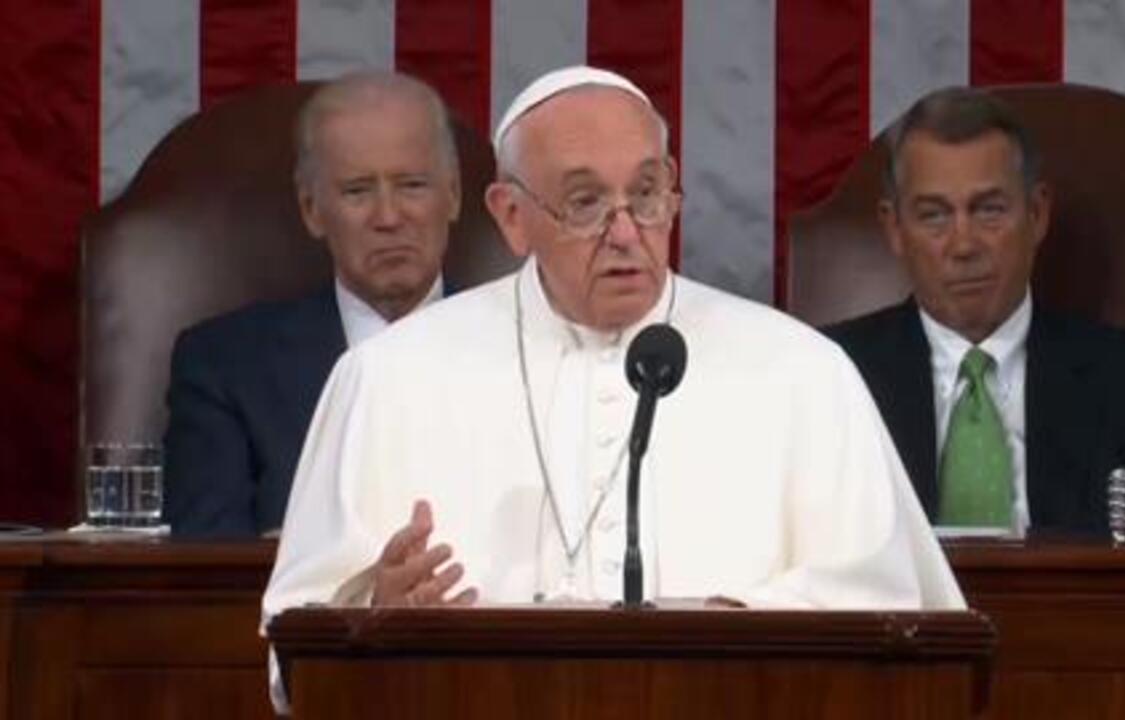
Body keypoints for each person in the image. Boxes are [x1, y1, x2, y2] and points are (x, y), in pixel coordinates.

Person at [263, 65, 962, 663]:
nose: (627, 233)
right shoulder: (387, 380)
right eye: (585, 202)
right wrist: (371, 614)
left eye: (648, 193)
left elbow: (893, 604)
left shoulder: (803, 373)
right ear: (511, 216)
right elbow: (296, 635)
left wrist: (738, 621)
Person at [823, 86, 1125, 536]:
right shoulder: (823, 379)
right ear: (894, 229)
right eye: (934, 215)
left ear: (1036, 213)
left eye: (989, 210)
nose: (964, 244)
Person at [162, 71, 461, 538]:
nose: (388, 217)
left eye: (412, 185)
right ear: (312, 210)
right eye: (358, 190)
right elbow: (208, 577)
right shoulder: (225, 367)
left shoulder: (528, 350)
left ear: (454, 195)